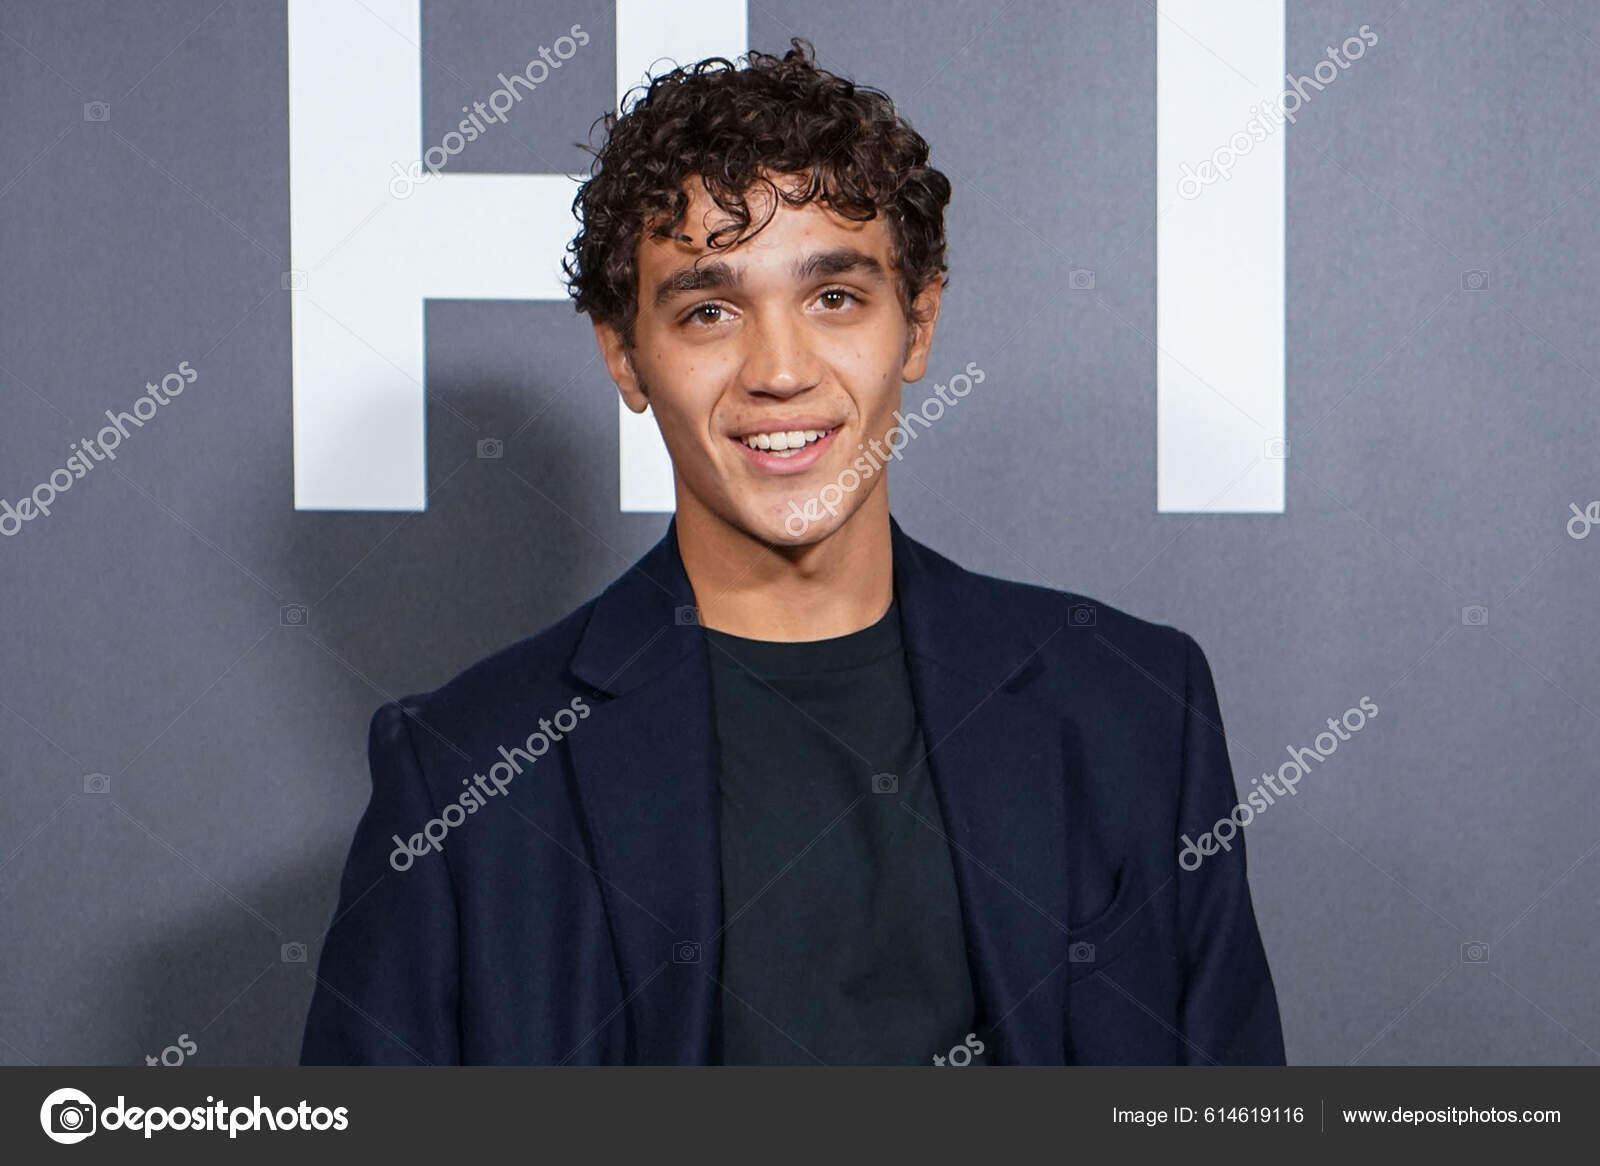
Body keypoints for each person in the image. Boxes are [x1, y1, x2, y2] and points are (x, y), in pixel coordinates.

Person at [300, 38, 1284, 1066]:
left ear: (918, 325)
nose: (778, 370)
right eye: (709, 311)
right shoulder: (465, 768)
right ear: (624, 354)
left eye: (834, 298)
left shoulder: (1130, 706)